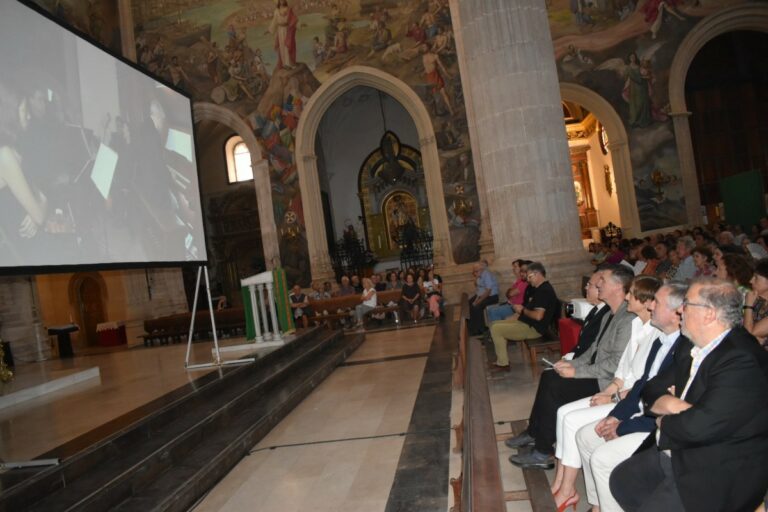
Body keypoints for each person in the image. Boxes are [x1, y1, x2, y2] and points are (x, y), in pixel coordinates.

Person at [610, 278, 768, 512]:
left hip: (719, 467)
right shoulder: (691, 343)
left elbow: (698, 427)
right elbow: (651, 388)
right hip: (686, 448)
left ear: (709, 314)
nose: (680, 310)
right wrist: (678, 405)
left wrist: (665, 418)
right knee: (622, 481)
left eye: (687, 304)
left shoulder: (741, 359)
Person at [547, 276, 663, 510]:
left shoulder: (656, 334)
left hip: (633, 402)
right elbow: (623, 370)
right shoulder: (635, 324)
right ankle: (566, 485)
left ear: (647, 301)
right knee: (565, 413)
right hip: (622, 395)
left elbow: (642, 381)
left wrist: (613, 396)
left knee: (572, 420)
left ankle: (571, 490)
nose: (627, 297)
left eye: (632, 294)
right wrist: (610, 391)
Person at [572, 282, 688, 512]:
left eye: (658, 303)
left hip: (654, 424)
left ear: (677, 314)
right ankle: (598, 504)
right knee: (586, 435)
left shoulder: (684, 350)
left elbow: (661, 404)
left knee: (603, 458)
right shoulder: (659, 340)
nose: (651, 306)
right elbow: (641, 385)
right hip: (638, 412)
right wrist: (615, 416)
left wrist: (623, 427)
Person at [506, 265, 635, 469]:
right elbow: (593, 350)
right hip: (597, 372)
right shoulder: (611, 314)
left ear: (618, 287)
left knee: (556, 386)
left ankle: (543, 451)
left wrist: (576, 371)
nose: (598, 284)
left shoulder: (627, 319)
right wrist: (570, 364)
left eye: (603, 281)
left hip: (607, 382)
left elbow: (614, 365)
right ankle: (536, 434)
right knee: (550, 376)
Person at [488, 262, 559, 372]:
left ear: (538, 274)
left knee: (496, 329)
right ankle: (502, 361)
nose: (528, 280)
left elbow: (538, 316)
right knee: (494, 324)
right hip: (527, 323)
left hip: (534, 329)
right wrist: (521, 310)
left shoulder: (544, 291)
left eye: (530, 276)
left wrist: (522, 310)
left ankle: (503, 364)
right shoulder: (540, 289)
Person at [568, 270, 611, 358]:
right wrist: (569, 356)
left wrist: (572, 361)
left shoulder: (607, 313)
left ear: (600, 288)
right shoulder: (596, 309)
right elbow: (581, 343)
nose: (585, 288)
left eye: (589, 285)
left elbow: (594, 349)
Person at [468, 261, 499, 335]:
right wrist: (476, 277)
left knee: (477, 307)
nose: (474, 272)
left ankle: (481, 329)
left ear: (481, 269)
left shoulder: (487, 274)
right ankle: (472, 327)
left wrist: (478, 301)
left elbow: (488, 291)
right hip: (482, 294)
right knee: (469, 303)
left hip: (492, 296)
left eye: (476, 270)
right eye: (473, 271)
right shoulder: (479, 274)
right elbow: (477, 286)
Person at [744, 258, 768, 349]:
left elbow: (748, 335)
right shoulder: (758, 299)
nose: (751, 281)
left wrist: (748, 305)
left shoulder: (750, 300)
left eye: (756, 278)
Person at [266, 0, 298, 70]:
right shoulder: (276, 11)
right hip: (280, 30)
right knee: (282, 47)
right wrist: (269, 30)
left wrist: (292, 25)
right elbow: (274, 21)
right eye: (280, 0)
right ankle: (284, 64)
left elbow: (294, 19)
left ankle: (289, 63)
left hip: (287, 30)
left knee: (287, 46)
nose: (281, 1)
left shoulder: (288, 9)